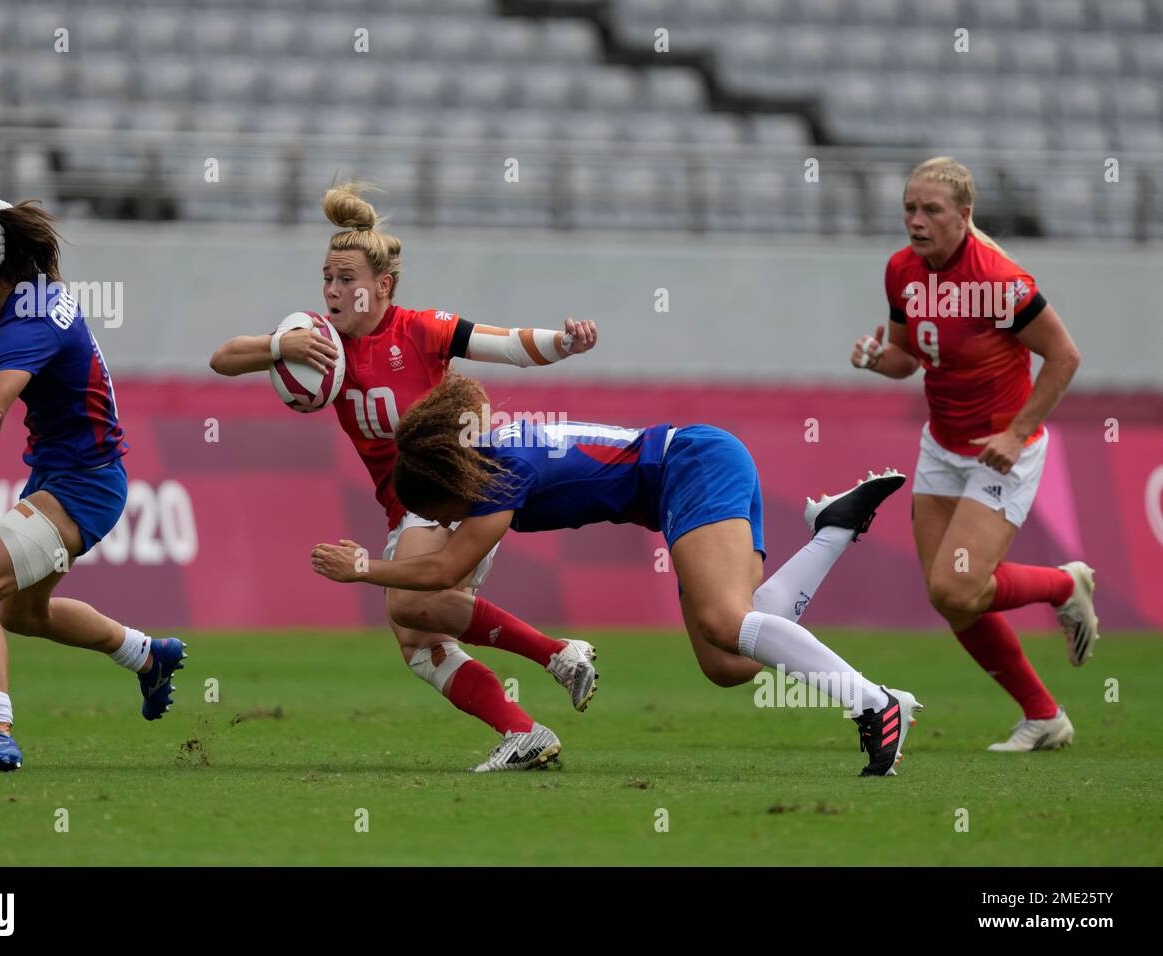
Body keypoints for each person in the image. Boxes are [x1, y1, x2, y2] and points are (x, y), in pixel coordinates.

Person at [312, 372, 920, 776]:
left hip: (692, 463)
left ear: (452, 490)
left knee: (721, 620)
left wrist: (364, 567)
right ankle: (836, 530)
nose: (448, 522)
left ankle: (873, 702)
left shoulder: (498, 477)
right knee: (727, 663)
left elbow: (447, 567)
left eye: (441, 512)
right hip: (683, 480)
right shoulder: (486, 460)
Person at [210, 182, 600, 768]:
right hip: (404, 507)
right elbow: (222, 359)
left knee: (411, 603)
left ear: (382, 286)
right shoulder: (322, 347)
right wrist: (278, 343)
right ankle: (526, 729)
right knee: (419, 643)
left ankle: (557, 656)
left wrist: (562, 342)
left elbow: (508, 345)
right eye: (327, 278)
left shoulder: (419, 330)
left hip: (447, 493)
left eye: (346, 279)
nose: (333, 290)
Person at [0, 198, 184, 773]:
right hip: (78, 476)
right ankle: (146, 654)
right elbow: (14, 302)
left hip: (81, 485)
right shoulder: (42, 292)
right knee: (22, 615)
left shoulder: (24, 325)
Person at [850, 156, 1097, 752]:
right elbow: (908, 357)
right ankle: (1044, 716)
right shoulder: (901, 271)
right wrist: (874, 359)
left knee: (958, 588)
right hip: (942, 445)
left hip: (1000, 450)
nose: (916, 220)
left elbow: (1064, 357)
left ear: (964, 216)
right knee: (950, 598)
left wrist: (1015, 435)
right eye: (909, 208)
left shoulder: (999, 281)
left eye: (931, 209)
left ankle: (1064, 589)